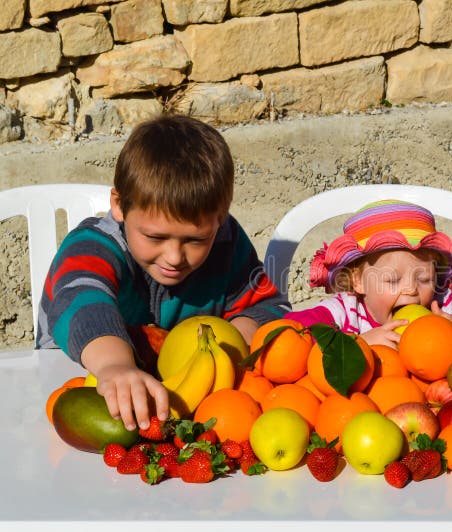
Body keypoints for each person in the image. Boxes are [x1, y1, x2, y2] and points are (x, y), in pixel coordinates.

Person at [36, 114, 288, 431]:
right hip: (72, 396)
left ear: (220, 219)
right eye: (155, 237)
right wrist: (114, 365)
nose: (174, 257)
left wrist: (228, 348)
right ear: (119, 205)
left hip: (174, 407)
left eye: (195, 240)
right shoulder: (92, 247)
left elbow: (266, 305)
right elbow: (81, 299)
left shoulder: (227, 243)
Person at [282, 199, 452, 348]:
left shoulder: (440, 307)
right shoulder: (346, 310)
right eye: (393, 280)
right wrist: (357, 345)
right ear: (358, 281)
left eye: (424, 279)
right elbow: (291, 331)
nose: (411, 289)